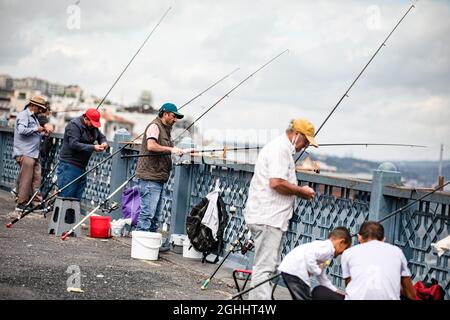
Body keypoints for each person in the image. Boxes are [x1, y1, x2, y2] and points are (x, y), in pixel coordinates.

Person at [243, 118, 317, 300]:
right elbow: (276, 182)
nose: (305, 146)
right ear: (297, 134)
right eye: (306, 141)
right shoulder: (280, 150)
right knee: (265, 268)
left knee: (267, 267)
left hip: (268, 217)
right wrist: (302, 192)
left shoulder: (280, 148)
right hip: (269, 217)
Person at [135, 102, 186, 236]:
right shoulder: (154, 126)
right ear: (165, 114)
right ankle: (141, 244)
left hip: (159, 178)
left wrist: (181, 151)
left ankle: (151, 244)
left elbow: (165, 148)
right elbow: (151, 146)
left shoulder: (166, 130)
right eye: (173, 116)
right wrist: (171, 149)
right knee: (147, 214)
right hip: (150, 177)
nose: (175, 120)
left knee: (155, 216)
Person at [341, 221, 417, 300]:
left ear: (359, 237)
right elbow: (411, 294)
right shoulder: (397, 252)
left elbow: (349, 285)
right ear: (383, 239)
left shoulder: (348, 253)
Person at [278, 227, 352, 300]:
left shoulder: (327, 251)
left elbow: (321, 276)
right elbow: (309, 255)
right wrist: (317, 270)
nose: (342, 253)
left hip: (292, 271)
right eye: (345, 248)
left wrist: (335, 290)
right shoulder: (328, 248)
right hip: (295, 272)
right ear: (341, 242)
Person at [57, 108, 108, 200]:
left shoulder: (93, 127)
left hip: (82, 166)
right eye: (92, 123)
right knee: (66, 196)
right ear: (86, 118)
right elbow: (74, 144)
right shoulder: (74, 125)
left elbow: (101, 136)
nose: (93, 126)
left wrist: (104, 142)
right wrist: (93, 147)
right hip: (69, 165)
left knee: (76, 198)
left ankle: (71, 215)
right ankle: (61, 215)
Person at [12, 96, 49, 211]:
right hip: (25, 153)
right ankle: (21, 203)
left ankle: (36, 203)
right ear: (34, 106)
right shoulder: (24, 115)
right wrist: (37, 129)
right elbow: (22, 130)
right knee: (26, 179)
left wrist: (42, 133)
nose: (40, 110)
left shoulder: (34, 118)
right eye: (40, 108)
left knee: (36, 179)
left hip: (33, 153)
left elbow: (33, 134)